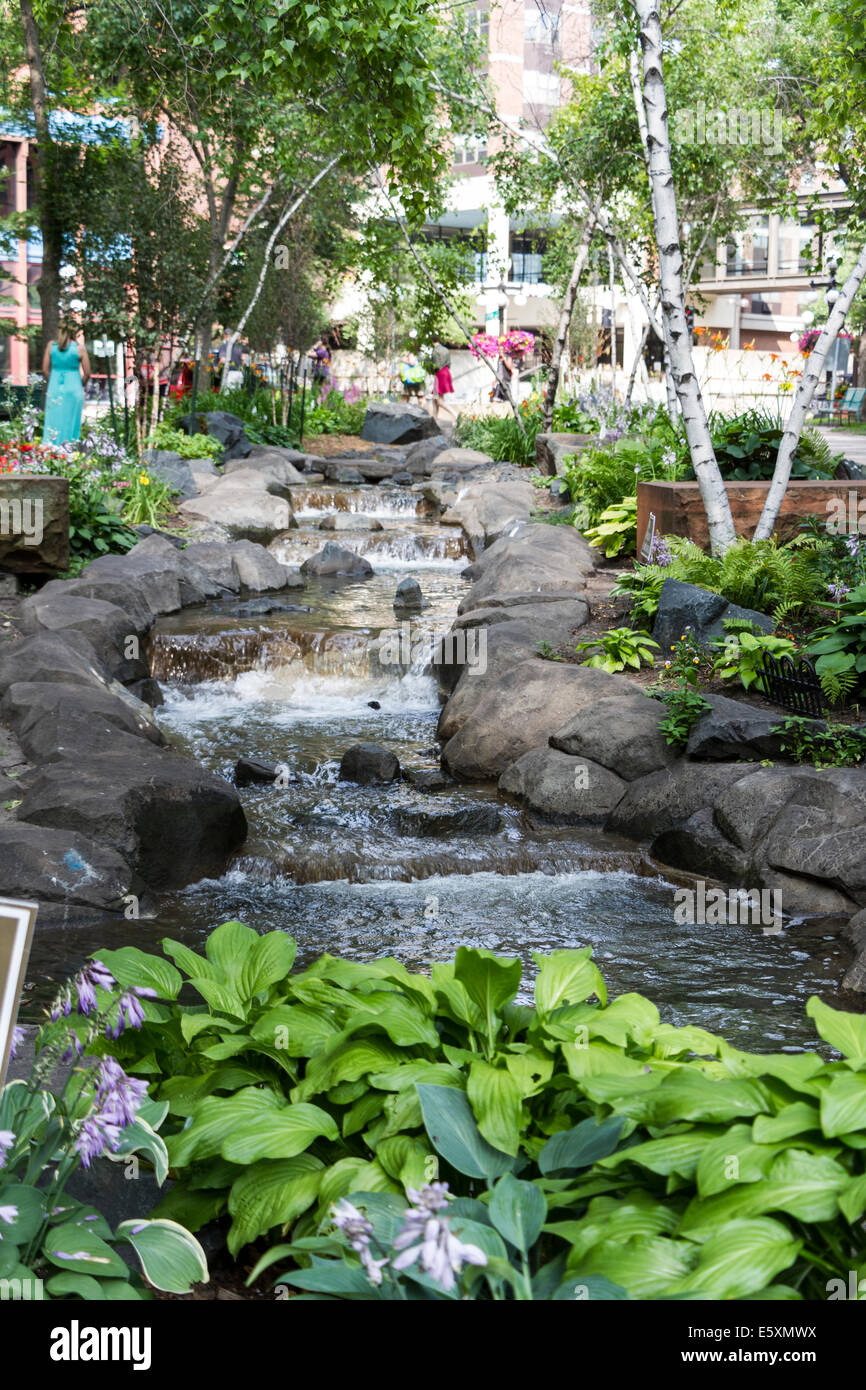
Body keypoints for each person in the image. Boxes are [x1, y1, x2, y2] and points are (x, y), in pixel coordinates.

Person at [41, 323, 90, 444]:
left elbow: (44, 370)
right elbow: (88, 373)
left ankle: (51, 448)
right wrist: (80, 384)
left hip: (55, 387)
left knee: (53, 419)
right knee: (71, 420)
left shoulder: (51, 346)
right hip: (74, 387)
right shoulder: (79, 348)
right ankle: (70, 448)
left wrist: (52, 380)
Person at [430, 340, 456, 421]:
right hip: (446, 372)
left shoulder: (435, 351)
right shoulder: (446, 349)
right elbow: (449, 363)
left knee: (439, 400)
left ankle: (456, 415)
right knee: (435, 398)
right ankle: (434, 418)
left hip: (439, 374)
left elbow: (436, 366)